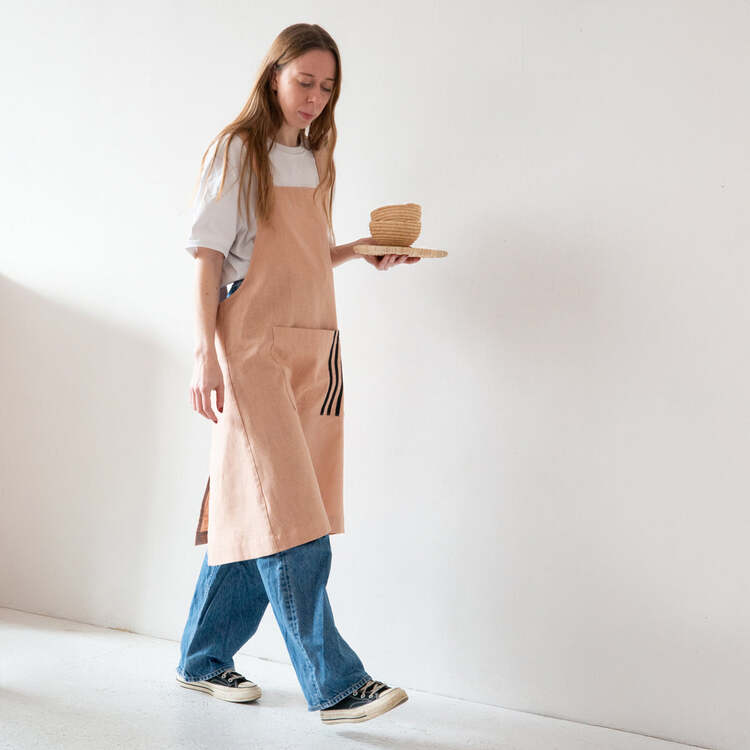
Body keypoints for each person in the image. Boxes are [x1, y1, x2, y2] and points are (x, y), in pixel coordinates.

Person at [175, 23, 420, 725]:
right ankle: (336, 683)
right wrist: (205, 354)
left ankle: (201, 657)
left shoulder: (315, 159)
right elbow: (208, 258)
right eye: (304, 81)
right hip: (252, 347)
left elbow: (305, 255)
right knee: (290, 515)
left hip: (314, 350)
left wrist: (357, 251)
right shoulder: (238, 150)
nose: (315, 97)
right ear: (274, 75)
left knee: (259, 504)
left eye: (327, 87)